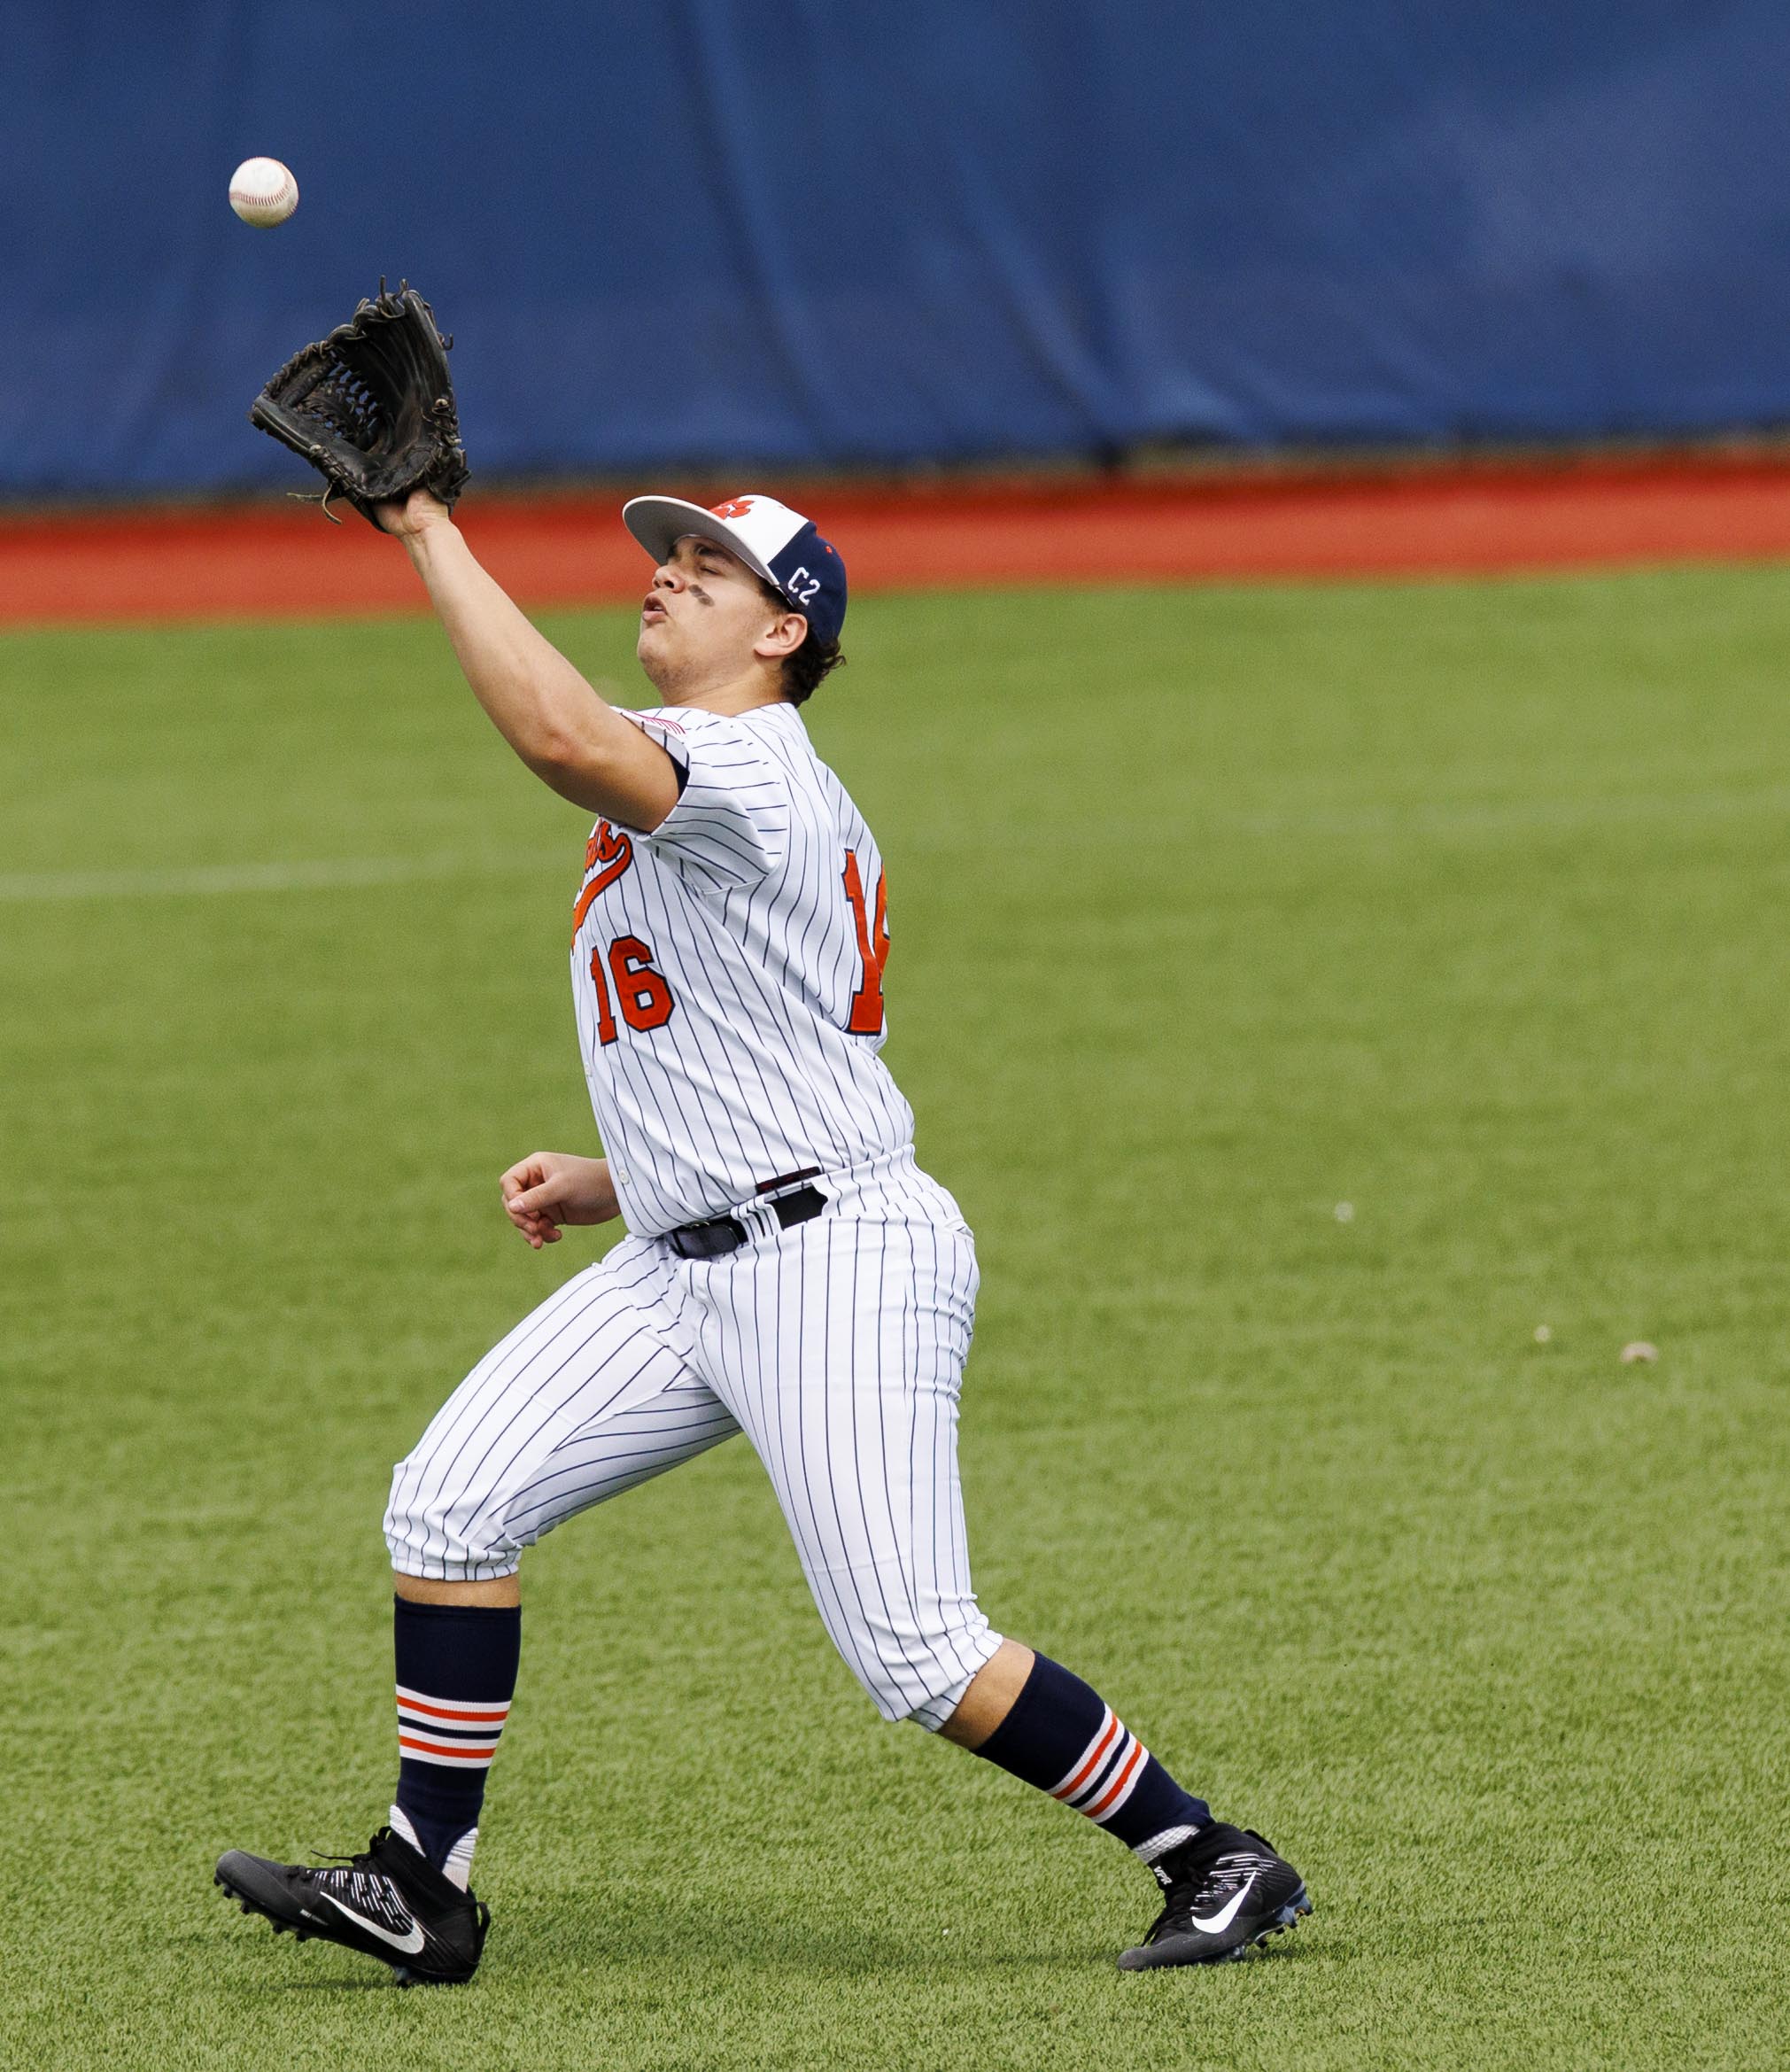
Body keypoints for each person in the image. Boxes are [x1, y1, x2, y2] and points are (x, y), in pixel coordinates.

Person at [213, 487, 1311, 1983]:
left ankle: (1214, 1857)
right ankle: (424, 1883)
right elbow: (761, 1027)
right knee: (449, 1507)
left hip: (834, 1256)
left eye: (707, 570)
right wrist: (622, 1175)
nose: (666, 581)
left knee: (914, 1651)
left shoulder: (753, 767)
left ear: (784, 631)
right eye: (666, 561)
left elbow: (552, 736)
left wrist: (426, 531)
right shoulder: (722, 777)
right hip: (688, 1253)